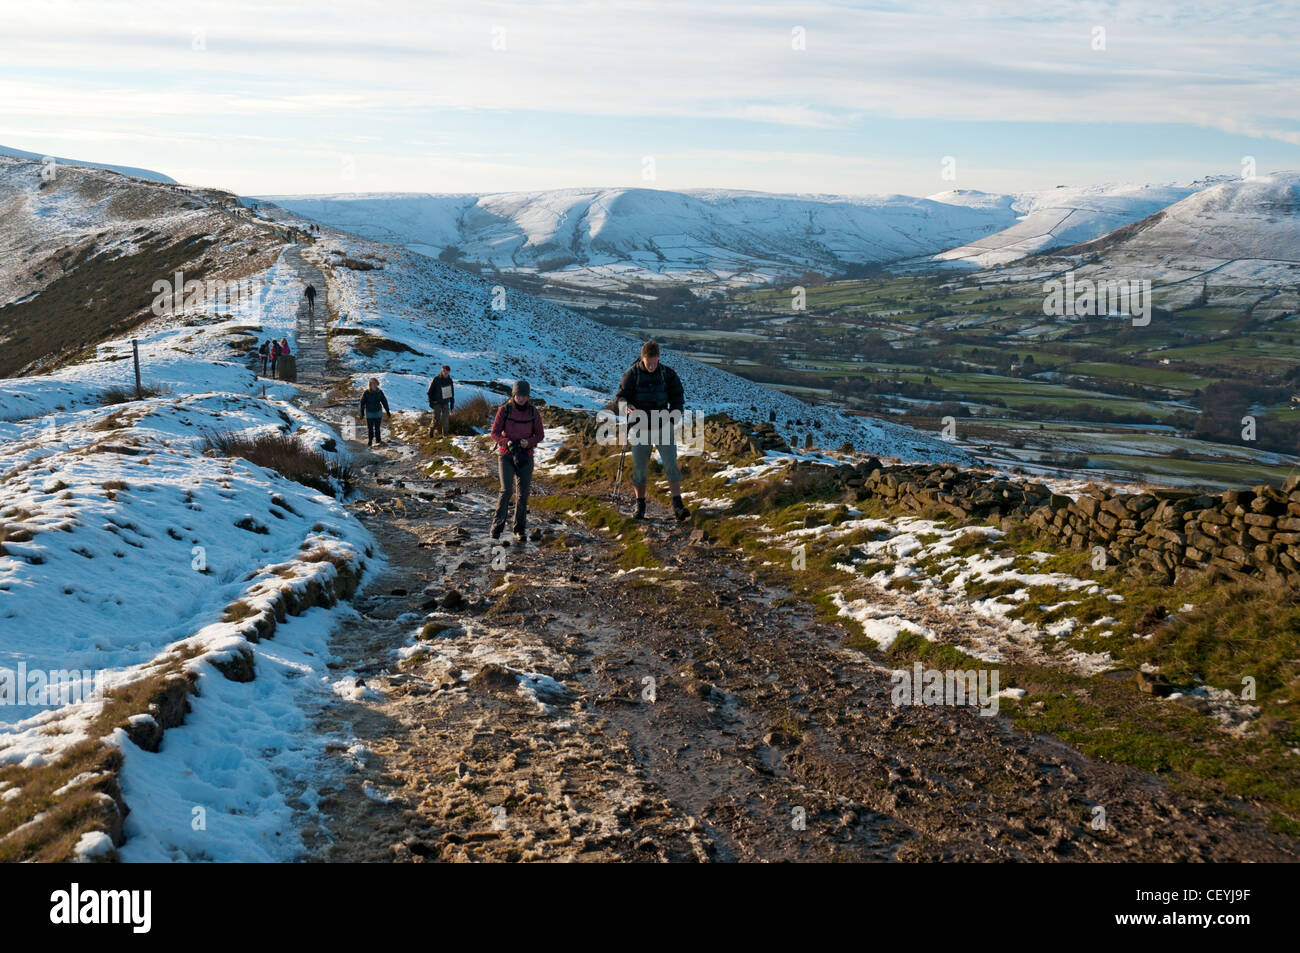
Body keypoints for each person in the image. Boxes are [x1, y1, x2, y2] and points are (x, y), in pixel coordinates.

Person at [615, 340, 690, 521]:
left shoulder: (667, 374)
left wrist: (675, 413)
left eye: (655, 362)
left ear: (658, 358)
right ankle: (640, 505)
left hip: (663, 424)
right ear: (642, 358)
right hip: (640, 426)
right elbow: (620, 397)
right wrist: (627, 407)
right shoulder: (632, 374)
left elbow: (678, 396)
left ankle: (677, 506)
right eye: (649, 362)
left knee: (671, 464)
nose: (652, 365)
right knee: (640, 469)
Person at [489, 380, 544, 543]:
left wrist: (529, 442)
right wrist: (506, 442)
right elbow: (494, 433)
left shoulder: (533, 412)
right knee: (506, 491)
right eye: (518, 395)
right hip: (506, 456)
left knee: (523, 494)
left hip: (526, 456)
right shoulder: (504, 410)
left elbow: (540, 434)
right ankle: (497, 528)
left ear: (528, 396)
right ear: (513, 395)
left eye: (524, 395)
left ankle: (519, 530)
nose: (521, 398)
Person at [358, 378, 392, 447]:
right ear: (370, 384)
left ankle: (378, 440)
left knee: (377, 428)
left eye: (375, 383)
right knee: (370, 428)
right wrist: (361, 413)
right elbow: (362, 403)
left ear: (377, 384)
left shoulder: (380, 392)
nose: (373, 385)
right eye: (372, 383)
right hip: (369, 413)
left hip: (378, 412)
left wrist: (387, 411)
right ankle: (370, 441)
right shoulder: (366, 392)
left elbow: (384, 402)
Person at [427, 365, 455, 437]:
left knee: (445, 419)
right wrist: (431, 402)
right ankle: (431, 430)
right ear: (442, 371)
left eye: (447, 372)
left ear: (449, 372)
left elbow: (451, 392)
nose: (445, 373)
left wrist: (452, 403)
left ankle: (445, 435)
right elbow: (429, 392)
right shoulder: (436, 379)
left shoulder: (449, 380)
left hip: (445, 402)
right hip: (437, 402)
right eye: (444, 371)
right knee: (436, 419)